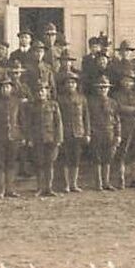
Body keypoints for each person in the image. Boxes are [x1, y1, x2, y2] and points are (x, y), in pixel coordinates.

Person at [0, 74, 25, 198]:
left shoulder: (16, 102)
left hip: (14, 136)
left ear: (11, 88)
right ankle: (1, 189)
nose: (5, 89)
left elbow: (21, 119)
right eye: (3, 87)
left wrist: (22, 135)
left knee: (12, 162)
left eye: (7, 87)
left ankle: (10, 189)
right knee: (0, 163)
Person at [25, 81, 64, 198]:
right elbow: (29, 124)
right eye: (38, 91)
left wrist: (59, 138)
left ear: (47, 92)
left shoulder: (53, 105)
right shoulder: (32, 106)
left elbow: (58, 123)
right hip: (38, 139)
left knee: (50, 163)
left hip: (51, 138)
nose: (40, 93)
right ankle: (40, 188)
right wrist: (30, 138)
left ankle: (49, 188)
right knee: (39, 163)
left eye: (42, 90)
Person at [55, 61, 89, 193]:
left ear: (76, 84)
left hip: (78, 132)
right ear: (64, 85)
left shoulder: (82, 99)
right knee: (65, 158)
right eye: (68, 83)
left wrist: (87, 133)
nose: (71, 85)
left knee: (76, 159)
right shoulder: (60, 99)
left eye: (73, 83)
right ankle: (65, 184)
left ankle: (74, 183)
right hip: (65, 132)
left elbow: (86, 117)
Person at [85, 75, 121, 191]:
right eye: (100, 88)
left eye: (105, 87)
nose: (103, 90)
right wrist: (88, 133)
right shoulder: (91, 102)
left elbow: (117, 120)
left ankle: (106, 182)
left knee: (108, 158)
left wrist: (118, 135)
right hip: (96, 132)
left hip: (109, 132)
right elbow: (87, 119)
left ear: (108, 89)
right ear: (96, 89)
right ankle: (98, 183)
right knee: (97, 158)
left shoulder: (113, 103)